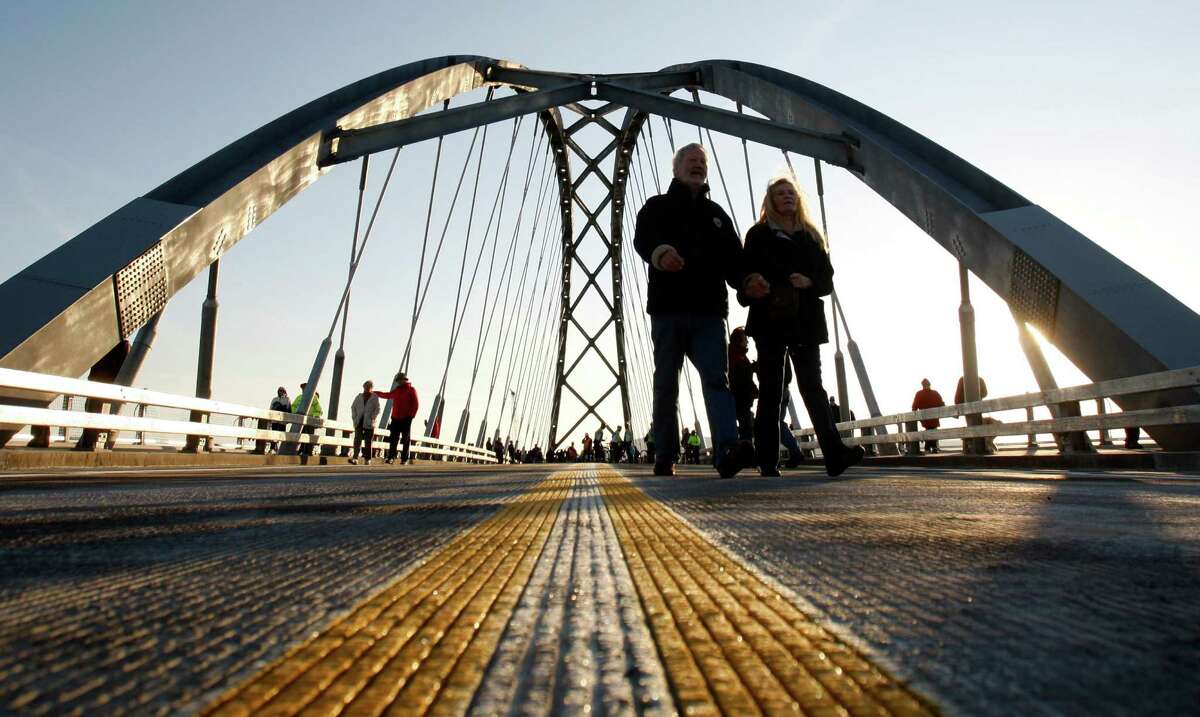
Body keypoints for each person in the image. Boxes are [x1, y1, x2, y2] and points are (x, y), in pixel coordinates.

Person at [633, 142, 751, 479]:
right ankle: (665, 455)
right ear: (676, 168)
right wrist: (660, 253)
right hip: (668, 310)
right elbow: (643, 238)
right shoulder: (656, 207)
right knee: (666, 383)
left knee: (717, 379)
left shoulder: (717, 216)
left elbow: (735, 260)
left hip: (709, 312)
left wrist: (747, 280)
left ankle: (726, 449)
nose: (697, 165)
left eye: (702, 161)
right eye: (691, 160)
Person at [739, 174, 865, 477]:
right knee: (771, 389)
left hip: (804, 320)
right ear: (770, 201)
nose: (787, 197)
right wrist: (752, 283)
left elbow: (826, 277)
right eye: (780, 193)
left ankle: (834, 454)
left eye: (791, 193)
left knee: (812, 387)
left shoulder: (810, 235)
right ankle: (767, 460)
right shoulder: (758, 235)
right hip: (769, 317)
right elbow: (744, 273)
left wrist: (809, 281)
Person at [374, 372, 418, 465]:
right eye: (397, 381)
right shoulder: (397, 390)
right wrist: (375, 393)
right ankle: (391, 457)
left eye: (399, 380)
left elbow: (416, 404)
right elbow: (387, 395)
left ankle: (404, 459)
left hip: (406, 418)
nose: (398, 382)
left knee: (405, 439)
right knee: (393, 439)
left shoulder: (411, 390)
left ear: (404, 380)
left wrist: (411, 416)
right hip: (395, 418)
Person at [728, 327, 758, 440]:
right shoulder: (736, 356)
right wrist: (754, 391)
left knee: (747, 426)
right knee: (746, 429)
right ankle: (748, 453)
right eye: (745, 339)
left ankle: (747, 451)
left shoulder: (737, 355)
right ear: (739, 340)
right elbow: (742, 379)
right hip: (741, 400)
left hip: (741, 400)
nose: (747, 341)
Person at [347, 380, 381, 465]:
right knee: (357, 440)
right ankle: (355, 458)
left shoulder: (375, 397)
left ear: (372, 388)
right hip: (359, 421)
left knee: (368, 441)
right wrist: (354, 418)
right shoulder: (359, 397)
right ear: (363, 387)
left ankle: (367, 459)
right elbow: (353, 407)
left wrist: (372, 417)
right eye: (366, 387)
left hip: (369, 422)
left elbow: (377, 409)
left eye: (369, 387)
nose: (367, 388)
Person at [911, 378, 946, 453]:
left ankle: (929, 447)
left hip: (924, 418)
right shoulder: (935, 393)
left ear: (922, 385)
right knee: (933, 430)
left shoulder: (919, 394)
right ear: (929, 385)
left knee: (929, 430)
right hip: (934, 416)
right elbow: (941, 404)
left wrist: (914, 415)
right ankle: (933, 447)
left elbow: (914, 406)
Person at [291, 383, 323, 456]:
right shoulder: (299, 397)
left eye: (304, 388)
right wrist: (295, 414)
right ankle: (301, 450)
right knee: (301, 436)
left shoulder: (314, 398)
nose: (303, 390)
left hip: (310, 421)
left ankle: (308, 451)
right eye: (302, 389)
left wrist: (313, 416)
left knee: (309, 436)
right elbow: (293, 407)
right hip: (300, 420)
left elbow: (319, 410)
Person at [266, 386, 291, 453]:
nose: (280, 392)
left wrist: (287, 420)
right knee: (274, 434)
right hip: (274, 420)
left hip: (282, 421)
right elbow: (271, 408)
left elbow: (289, 410)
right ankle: (272, 448)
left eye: (282, 391)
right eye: (279, 391)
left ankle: (282, 449)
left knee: (282, 435)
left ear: (285, 392)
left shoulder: (287, 399)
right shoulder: (274, 399)